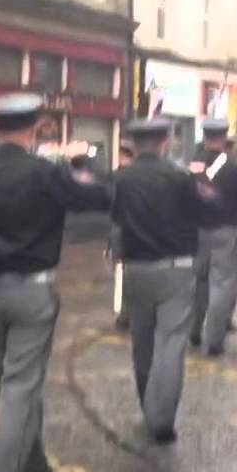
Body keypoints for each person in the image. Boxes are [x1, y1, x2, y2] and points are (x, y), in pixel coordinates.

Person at [0, 92, 109, 472]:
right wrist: (82, 162)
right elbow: (97, 197)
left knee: (14, 377)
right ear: (36, 127)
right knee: (19, 387)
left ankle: (34, 465)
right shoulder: (46, 172)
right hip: (32, 291)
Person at [112, 118, 211, 445]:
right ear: (166, 141)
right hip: (175, 268)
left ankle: (147, 406)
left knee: (142, 341)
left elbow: (116, 221)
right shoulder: (180, 178)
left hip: (137, 269)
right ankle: (162, 419)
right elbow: (201, 213)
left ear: (133, 144)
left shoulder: (123, 180)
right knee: (170, 341)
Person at [189, 119, 237, 356]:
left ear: (204, 137)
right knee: (222, 283)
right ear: (224, 139)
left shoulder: (193, 167)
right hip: (229, 231)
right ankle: (213, 340)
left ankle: (193, 331)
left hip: (198, 230)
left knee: (199, 281)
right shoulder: (236, 170)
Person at [111, 138, 136, 330]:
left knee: (122, 273)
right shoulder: (135, 176)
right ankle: (127, 313)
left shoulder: (116, 176)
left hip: (121, 229)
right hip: (134, 228)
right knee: (130, 271)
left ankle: (124, 314)